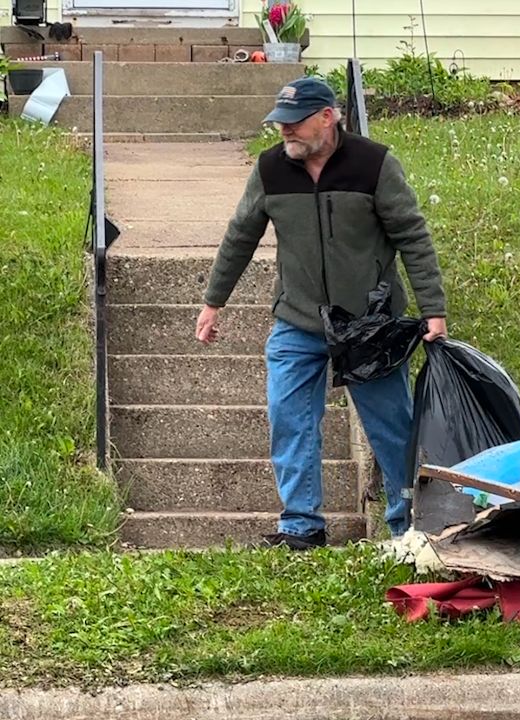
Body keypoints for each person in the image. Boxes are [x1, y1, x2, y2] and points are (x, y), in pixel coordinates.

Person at [195, 77, 447, 550]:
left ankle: (408, 524)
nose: (285, 131)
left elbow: (412, 236)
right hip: (298, 319)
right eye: (280, 123)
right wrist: (214, 301)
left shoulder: (374, 164)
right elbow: (240, 236)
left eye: (294, 123)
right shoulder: (271, 169)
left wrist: (433, 310)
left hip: (369, 324)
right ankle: (301, 527)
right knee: (289, 418)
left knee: (392, 427)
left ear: (327, 117)